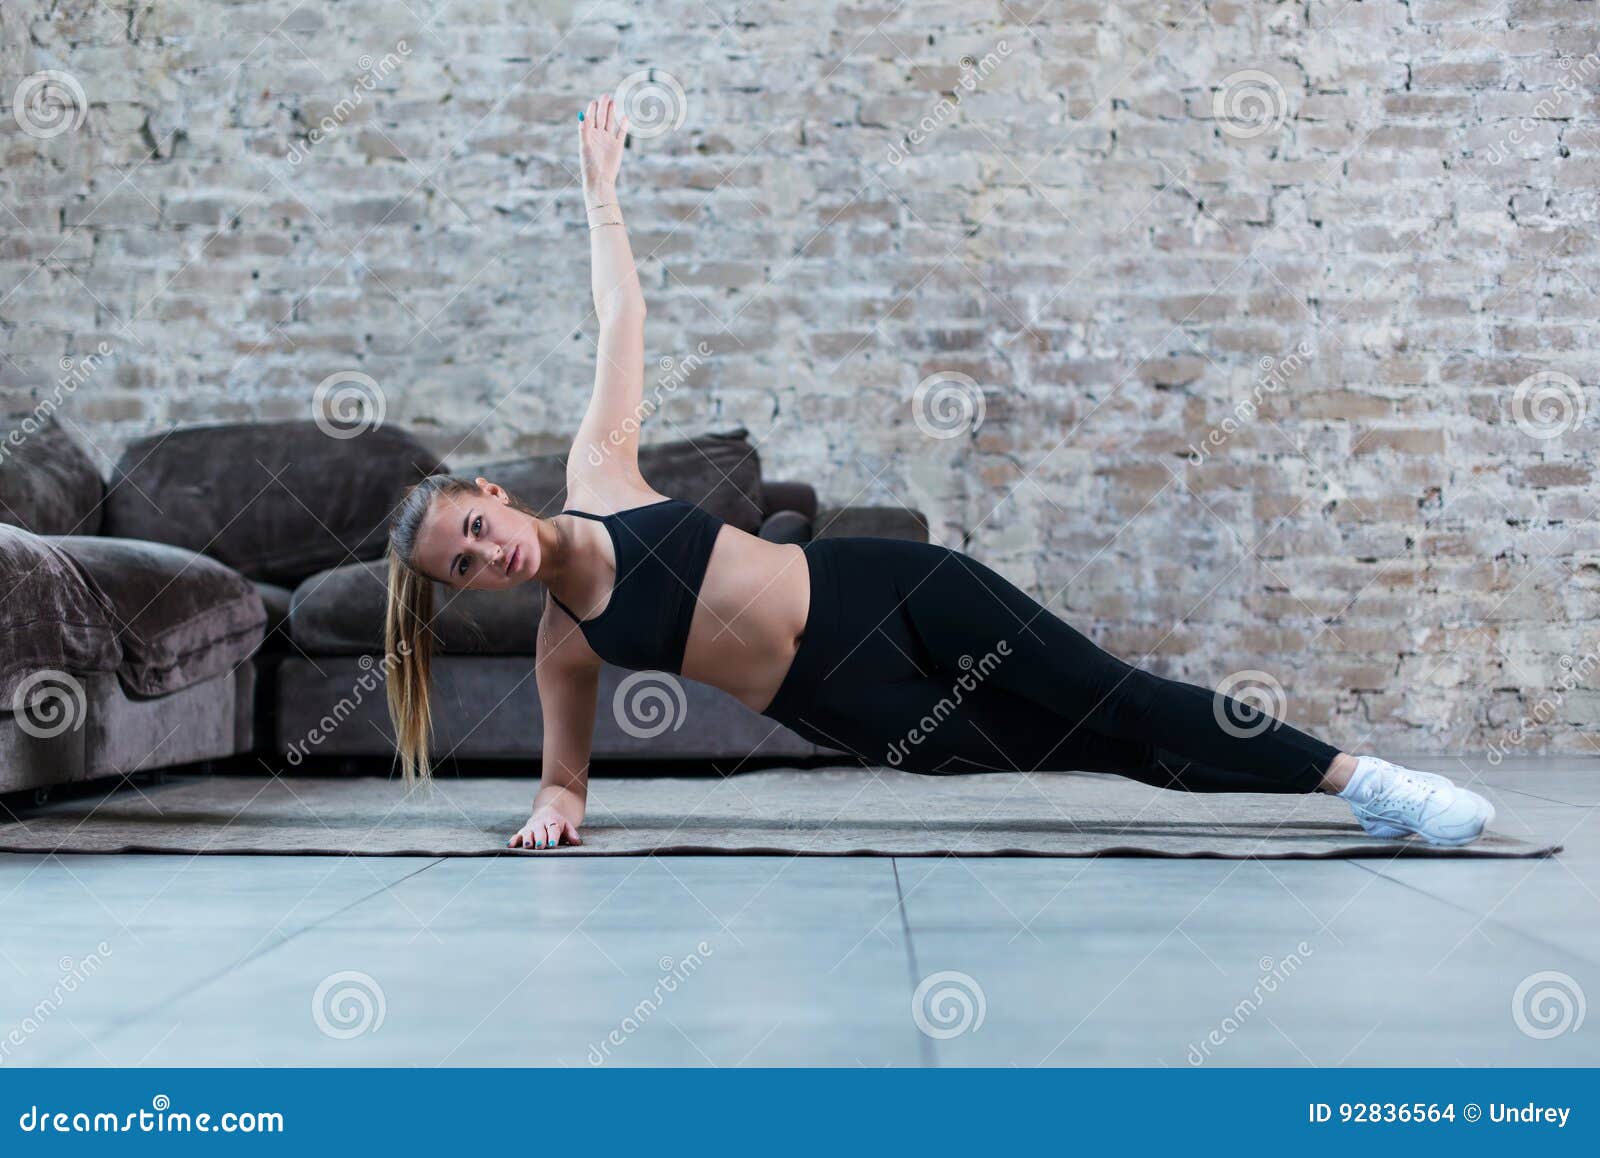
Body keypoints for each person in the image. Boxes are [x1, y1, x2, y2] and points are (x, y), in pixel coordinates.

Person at [382, 93, 1495, 851]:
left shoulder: (601, 472)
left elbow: (620, 312)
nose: (487, 556)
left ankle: (1369, 782)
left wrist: (600, 195)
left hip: (892, 593)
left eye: (473, 530)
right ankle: (1341, 797)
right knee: (1118, 754)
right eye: (466, 570)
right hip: (858, 706)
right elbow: (564, 778)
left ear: (492, 494)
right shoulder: (563, 641)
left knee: (1121, 696)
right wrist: (550, 811)